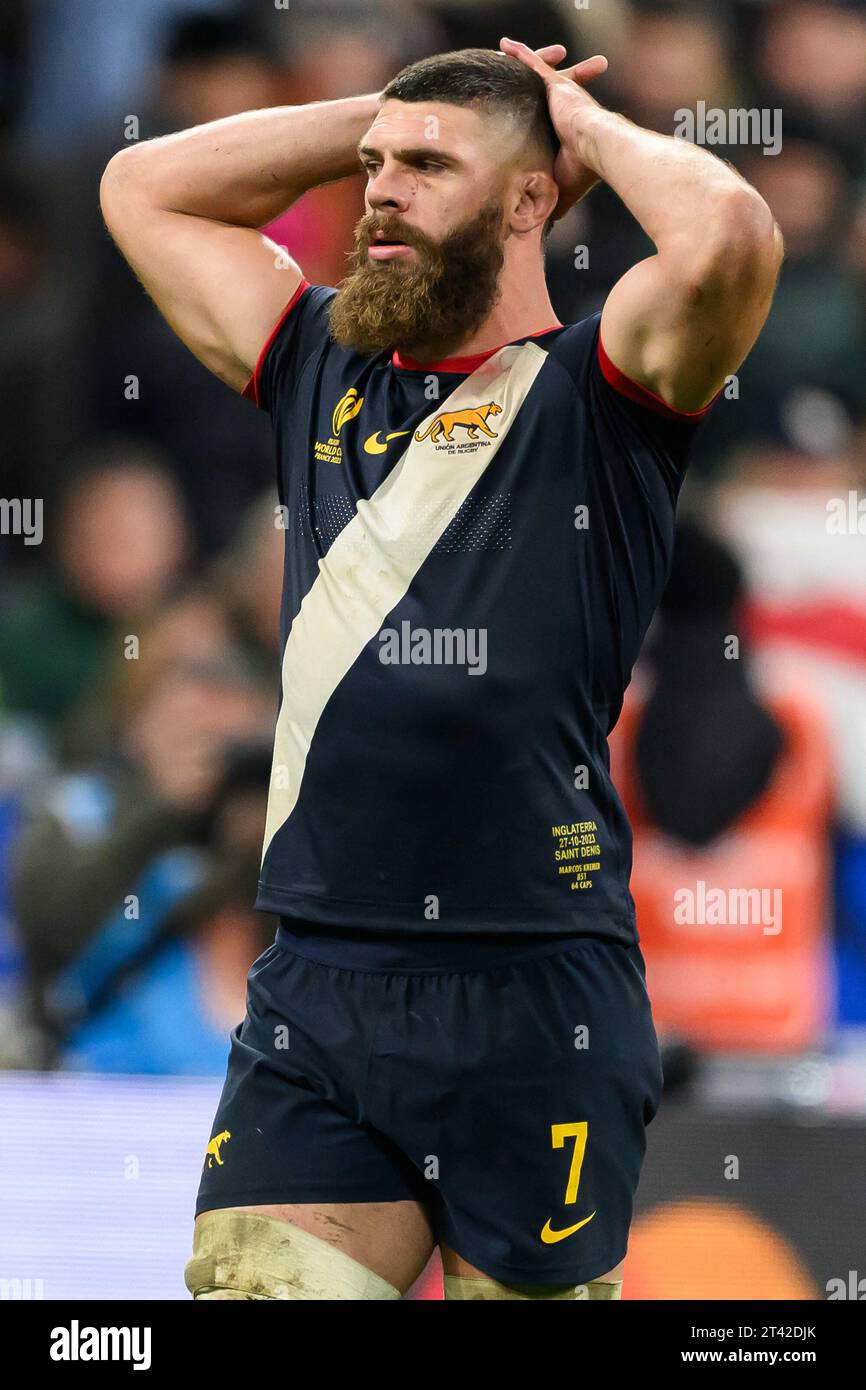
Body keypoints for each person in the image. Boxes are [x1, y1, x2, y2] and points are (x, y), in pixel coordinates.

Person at [99, 39, 783, 1301]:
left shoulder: (603, 390)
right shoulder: (314, 363)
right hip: (319, 979)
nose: (378, 192)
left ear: (531, 200)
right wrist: (402, 108)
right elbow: (143, 186)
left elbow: (729, 235)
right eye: (371, 170)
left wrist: (569, 119)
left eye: (424, 167)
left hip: (539, 989)